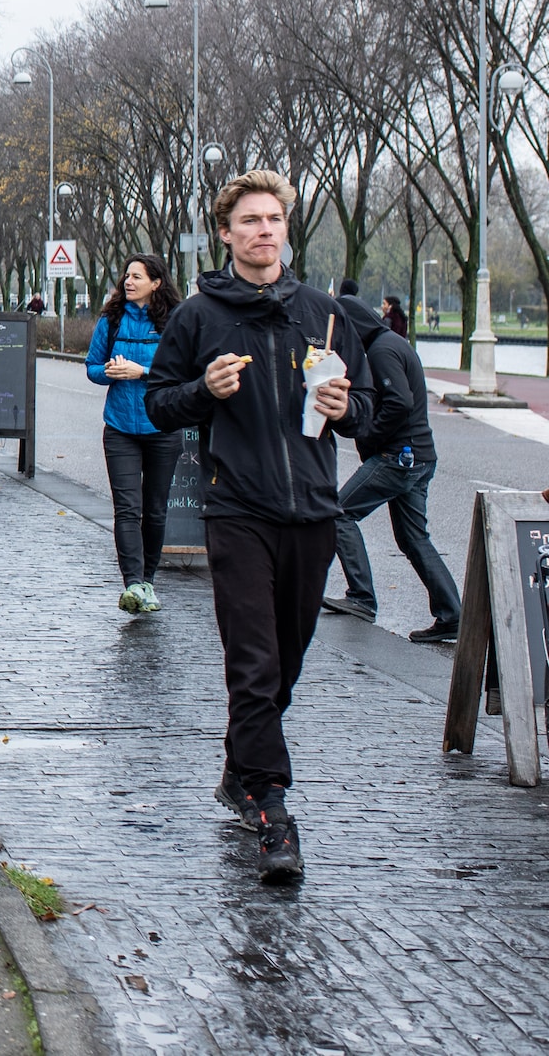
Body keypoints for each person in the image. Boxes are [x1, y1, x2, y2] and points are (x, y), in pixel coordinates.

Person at [144, 170, 368, 884]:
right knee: (255, 663)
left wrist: (344, 406)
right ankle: (273, 812)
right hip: (236, 509)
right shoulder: (201, 317)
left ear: (286, 228)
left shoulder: (323, 313)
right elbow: (157, 404)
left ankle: (240, 770)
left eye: (274, 218)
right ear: (226, 232)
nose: (264, 230)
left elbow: (369, 415)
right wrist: (202, 390)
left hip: (313, 512)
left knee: (287, 663)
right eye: (250, 220)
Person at [324, 292, 460, 641]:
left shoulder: (382, 351)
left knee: (339, 513)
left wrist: (368, 433)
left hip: (399, 456)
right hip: (418, 456)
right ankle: (452, 614)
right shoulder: (392, 344)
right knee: (414, 538)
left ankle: (362, 597)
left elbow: (399, 402)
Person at [87, 253, 181, 615]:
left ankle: (150, 581)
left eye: (137, 277)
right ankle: (133, 584)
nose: (128, 282)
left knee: (155, 511)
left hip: (162, 427)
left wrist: (141, 371)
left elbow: (181, 371)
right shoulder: (111, 321)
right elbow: (92, 367)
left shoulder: (174, 322)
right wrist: (108, 372)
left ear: (156, 283)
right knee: (127, 509)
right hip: (120, 428)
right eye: (126, 276)